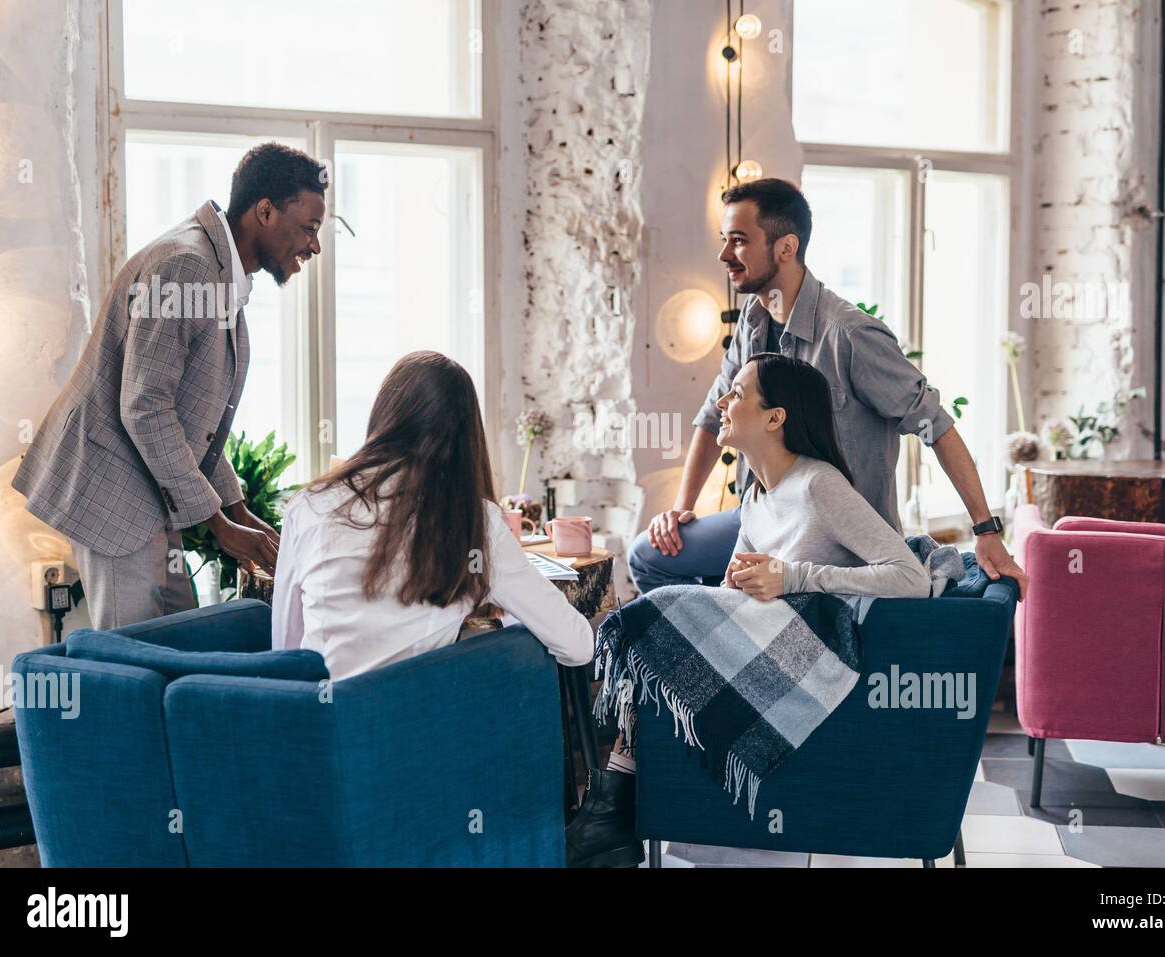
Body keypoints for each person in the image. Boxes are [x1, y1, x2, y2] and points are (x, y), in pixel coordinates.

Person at [566, 354, 929, 868]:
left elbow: (909, 576)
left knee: (653, 612)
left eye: (736, 393)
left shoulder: (819, 485)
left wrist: (793, 577)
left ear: (776, 417)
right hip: (765, 638)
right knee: (662, 619)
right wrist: (740, 583)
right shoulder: (757, 494)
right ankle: (613, 811)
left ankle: (608, 817)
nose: (722, 403)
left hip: (814, 653)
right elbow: (727, 591)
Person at [628, 178, 1028, 601]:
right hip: (767, 523)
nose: (724, 254)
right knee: (649, 556)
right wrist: (681, 507)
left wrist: (986, 530)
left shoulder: (851, 335)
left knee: (723, 596)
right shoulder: (752, 320)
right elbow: (713, 416)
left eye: (739, 241)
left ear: (786, 247)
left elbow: (937, 426)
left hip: (838, 539)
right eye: (724, 240)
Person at [14, 142, 328, 630]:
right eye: (309, 227)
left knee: (180, 646)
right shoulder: (186, 267)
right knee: (135, 668)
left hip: (148, 494)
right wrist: (221, 526)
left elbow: (190, 421)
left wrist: (238, 509)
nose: (315, 245)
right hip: (114, 496)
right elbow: (145, 406)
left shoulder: (215, 271)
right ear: (265, 211)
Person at [271, 351, 593, 680]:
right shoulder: (475, 522)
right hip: (418, 723)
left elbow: (285, 648)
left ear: (384, 417)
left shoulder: (307, 505)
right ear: (466, 439)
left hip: (315, 719)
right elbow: (577, 645)